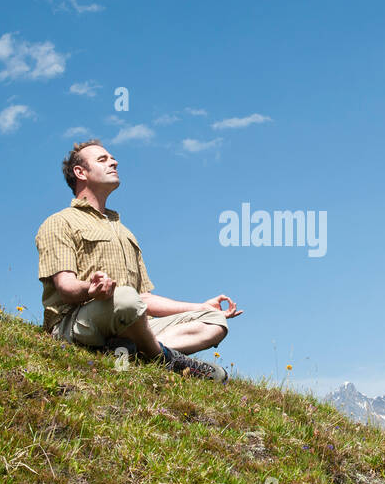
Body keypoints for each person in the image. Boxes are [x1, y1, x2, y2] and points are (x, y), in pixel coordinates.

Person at [35, 139, 241, 381]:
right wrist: (91, 288)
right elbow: (67, 288)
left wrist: (201, 307)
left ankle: (129, 352)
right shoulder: (60, 222)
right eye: (103, 160)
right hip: (78, 322)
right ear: (80, 172)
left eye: (112, 158)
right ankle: (162, 358)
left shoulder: (125, 233)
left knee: (214, 321)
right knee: (124, 297)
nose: (114, 162)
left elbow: (144, 299)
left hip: (131, 320)